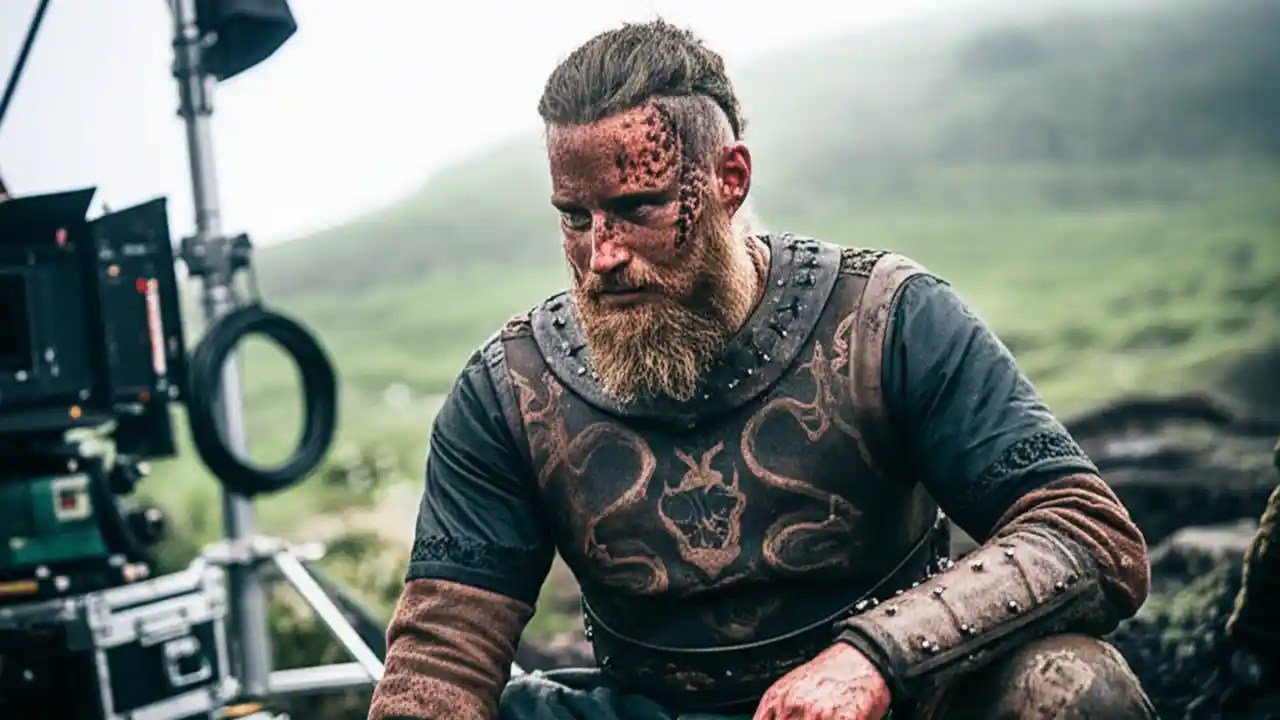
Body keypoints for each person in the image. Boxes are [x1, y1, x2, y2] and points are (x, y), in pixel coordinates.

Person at [368, 19, 1155, 720]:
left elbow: (1087, 531)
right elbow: (444, 653)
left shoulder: (891, 320)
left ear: (728, 180)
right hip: (652, 710)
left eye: (637, 208)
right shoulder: (508, 392)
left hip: (900, 699)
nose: (600, 257)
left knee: (1071, 688)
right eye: (575, 218)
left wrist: (875, 655)